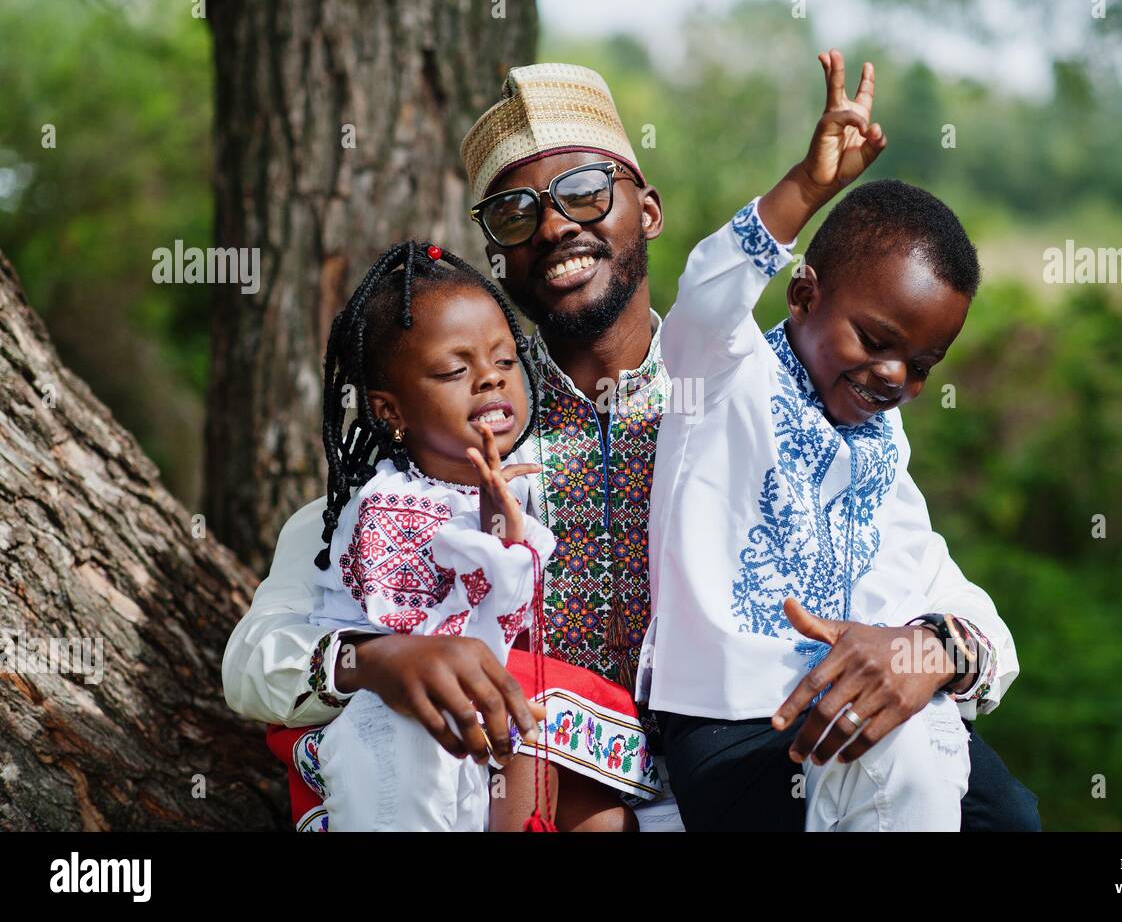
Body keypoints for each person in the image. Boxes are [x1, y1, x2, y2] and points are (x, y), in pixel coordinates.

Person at [225, 59, 1037, 831]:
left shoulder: (764, 404)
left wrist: (929, 648)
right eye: (516, 212)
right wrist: (382, 659)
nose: (552, 225)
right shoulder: (451, 439)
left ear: (645, 209)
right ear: (498, 261)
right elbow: (259, 656)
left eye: (582, 190)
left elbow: (964, 612)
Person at [644, 50, 997, 830]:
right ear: (803, 293)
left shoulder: (880, 443)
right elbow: (704, 298)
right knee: (904, 762)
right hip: (737, 723)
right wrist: (806, 189)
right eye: (873, 338)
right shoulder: (724, 376)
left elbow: (948, 591)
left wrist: (929, 647)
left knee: (1008, 812)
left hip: (857, 703)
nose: (892, 375)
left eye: (922, 363)